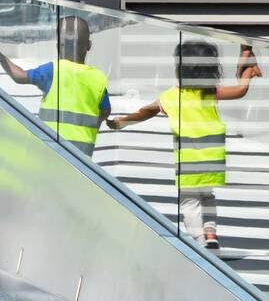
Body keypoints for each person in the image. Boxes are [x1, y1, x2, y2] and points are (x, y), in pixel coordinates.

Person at [108, 39, 260, 251]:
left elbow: (147, 112)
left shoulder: (171, 96)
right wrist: (248, 74)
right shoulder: (209, 92)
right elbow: (241, 90)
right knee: (207, 196)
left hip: (189, 156)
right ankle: (211, 233)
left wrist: (121, 122)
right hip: (213, 154)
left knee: (189, 201)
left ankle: (199, 240)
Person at [0, 16, 108, 156]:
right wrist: (96, 124)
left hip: (51, 151)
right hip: (83, 156)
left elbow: (19, 76)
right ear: (89, 45)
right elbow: (106, 110)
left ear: (57, 46)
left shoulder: (52, 70)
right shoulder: (98, 78)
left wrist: (2, 58)